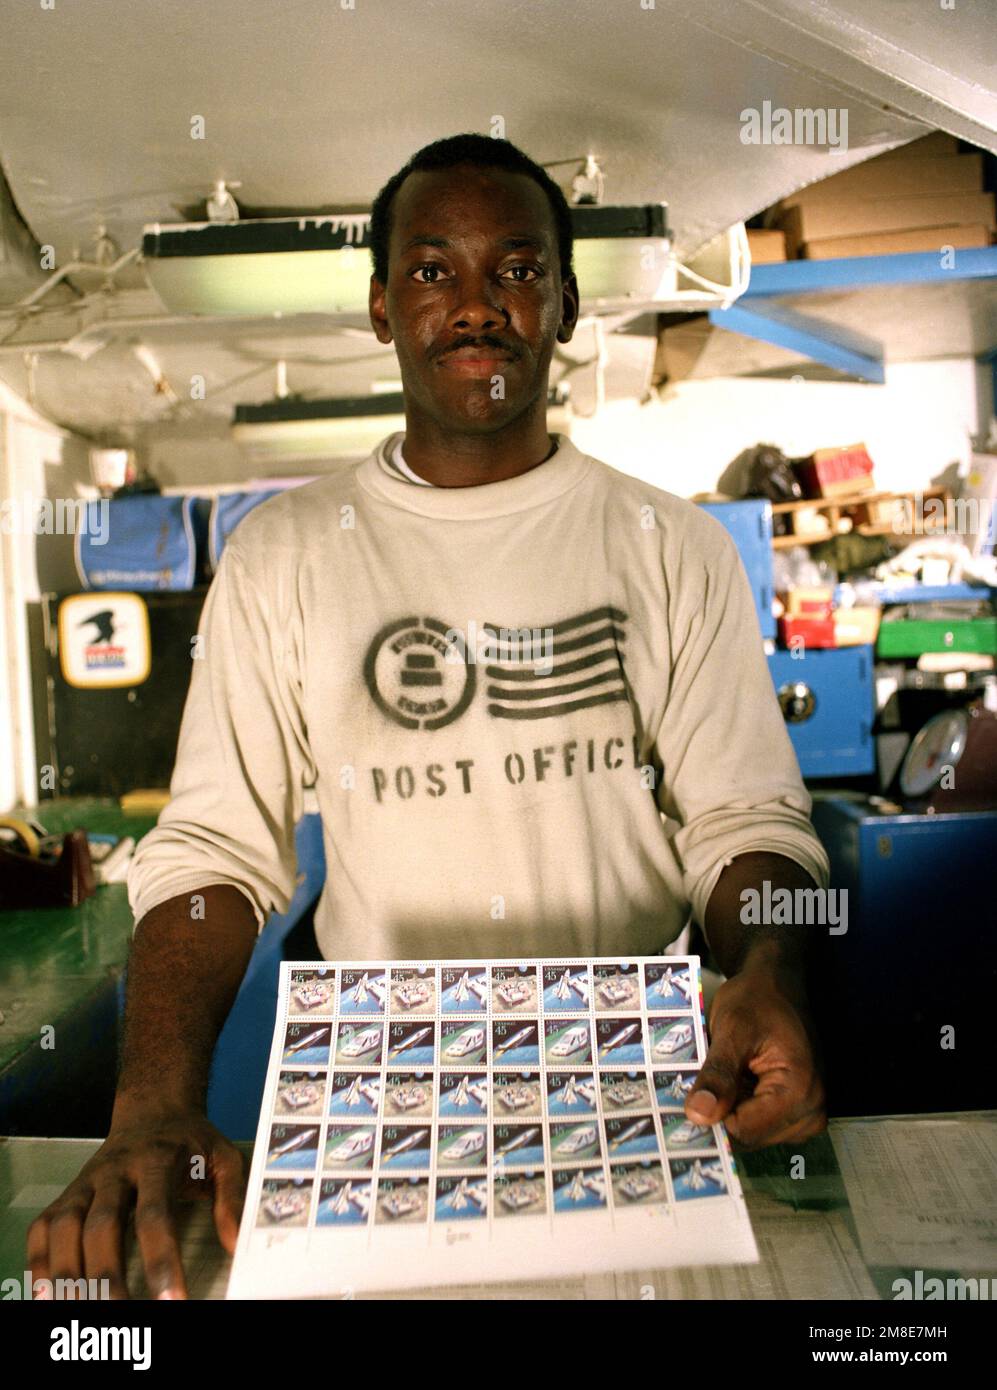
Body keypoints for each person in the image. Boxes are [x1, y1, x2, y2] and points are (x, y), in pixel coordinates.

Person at [28, 133, 830, 1299]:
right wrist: (153, 1104)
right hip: (380, 1090)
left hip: (634, 1077)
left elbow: (746, 816)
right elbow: (211, 851)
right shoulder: (283, 556)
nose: (474, 304)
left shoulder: (675, 548)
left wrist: (766, 965)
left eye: (514, 269)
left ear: (561, 303)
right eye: (431, 269)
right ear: (377, 305)